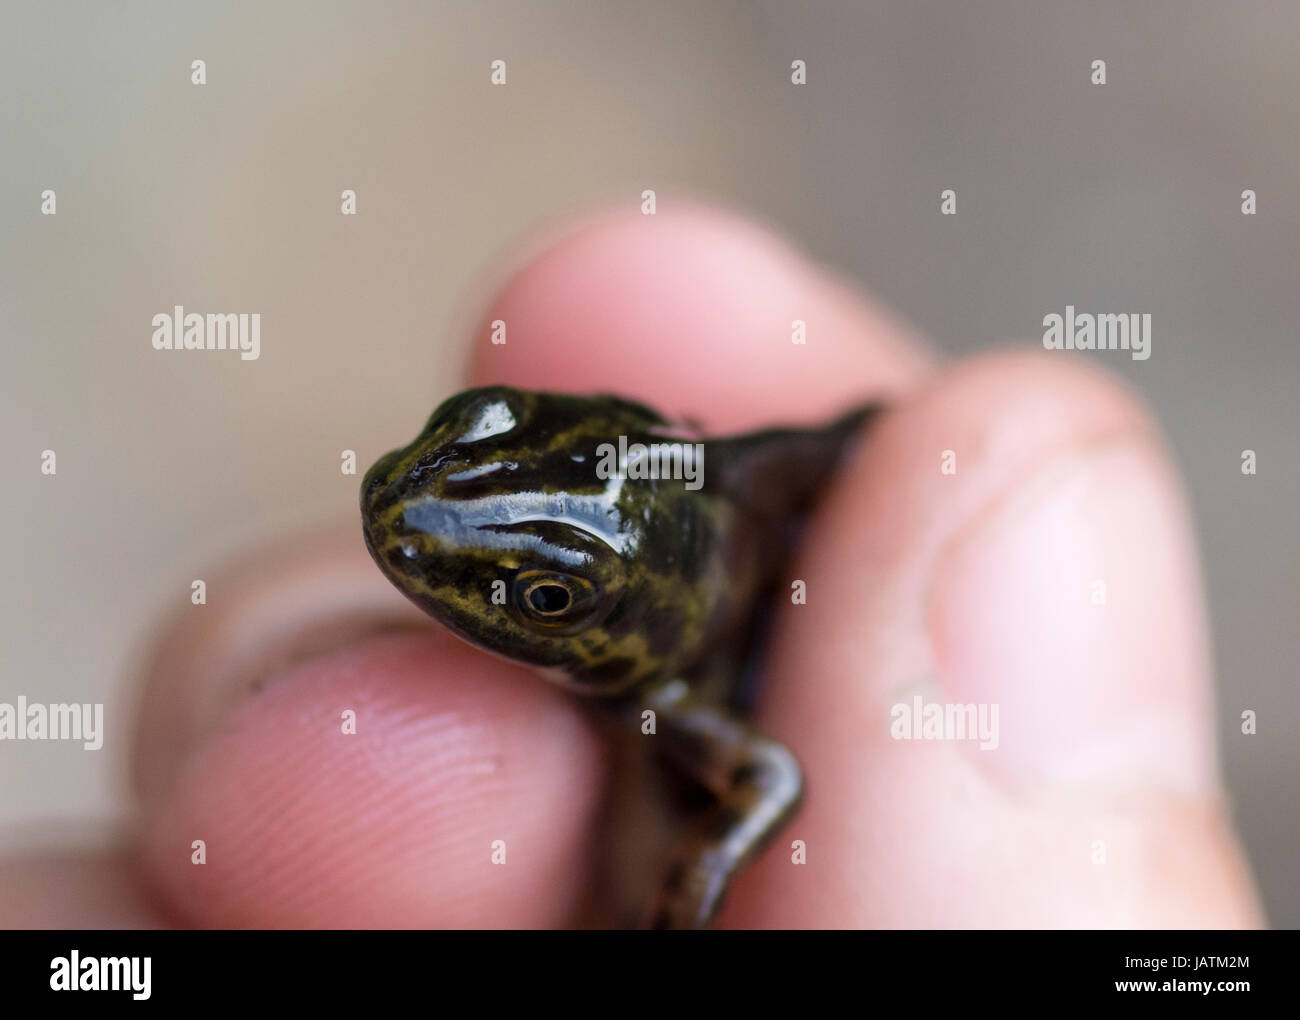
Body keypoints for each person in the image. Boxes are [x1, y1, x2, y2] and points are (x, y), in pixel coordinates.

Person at [0, 205, 1261, 928]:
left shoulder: (691, 690)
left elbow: (765, 774)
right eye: (473, 423)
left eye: (539, 596)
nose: (410, 505)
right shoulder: (707, 471)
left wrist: (694, 888)